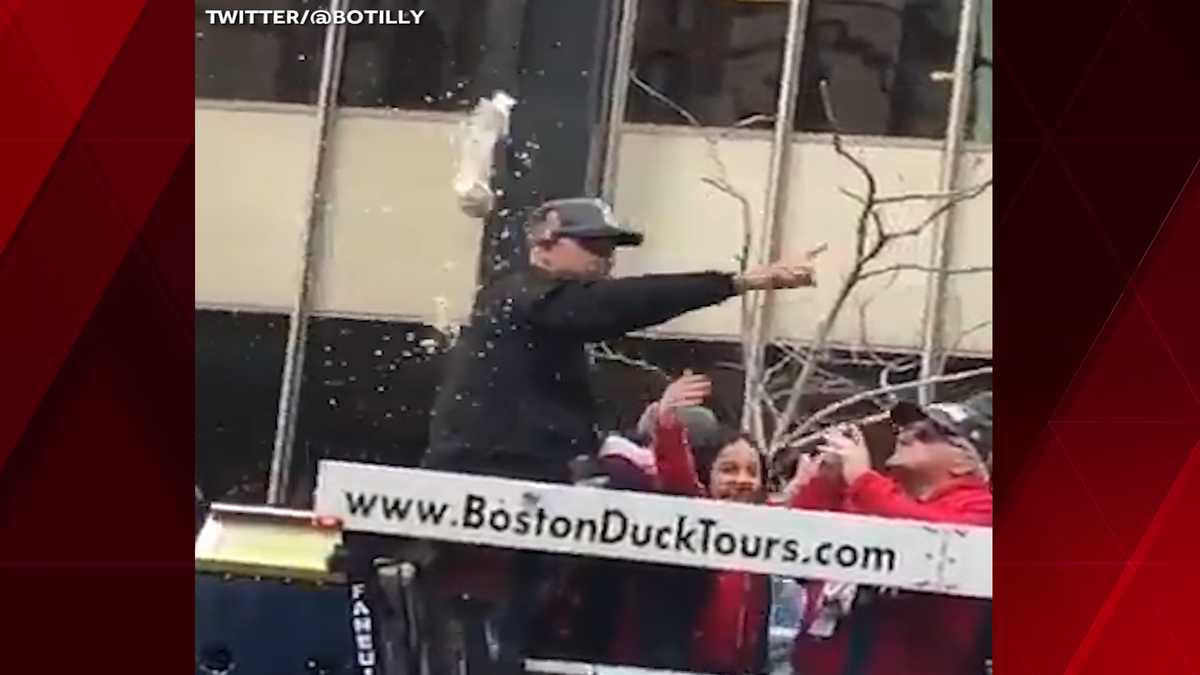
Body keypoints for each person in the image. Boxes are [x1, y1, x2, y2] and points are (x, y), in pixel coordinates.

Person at [420, 199, 819, 673]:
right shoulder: (518, 296)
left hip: (524, 496)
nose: (605, 260)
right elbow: (613, 305)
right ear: (543, 244)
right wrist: (737, 282)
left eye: (610, 250)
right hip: (490, 491)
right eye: (592, 246)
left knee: (521, 634)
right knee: (481, 639)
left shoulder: (542, 319)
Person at [787, 392, 993, 675]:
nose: (905, 436)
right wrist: (826, 482)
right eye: (905, 429)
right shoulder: (879, 498)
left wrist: (863, 480)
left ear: (964, 462)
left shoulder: (981, 508)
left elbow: (933, 538)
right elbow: (799, 551)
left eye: (925, 435)